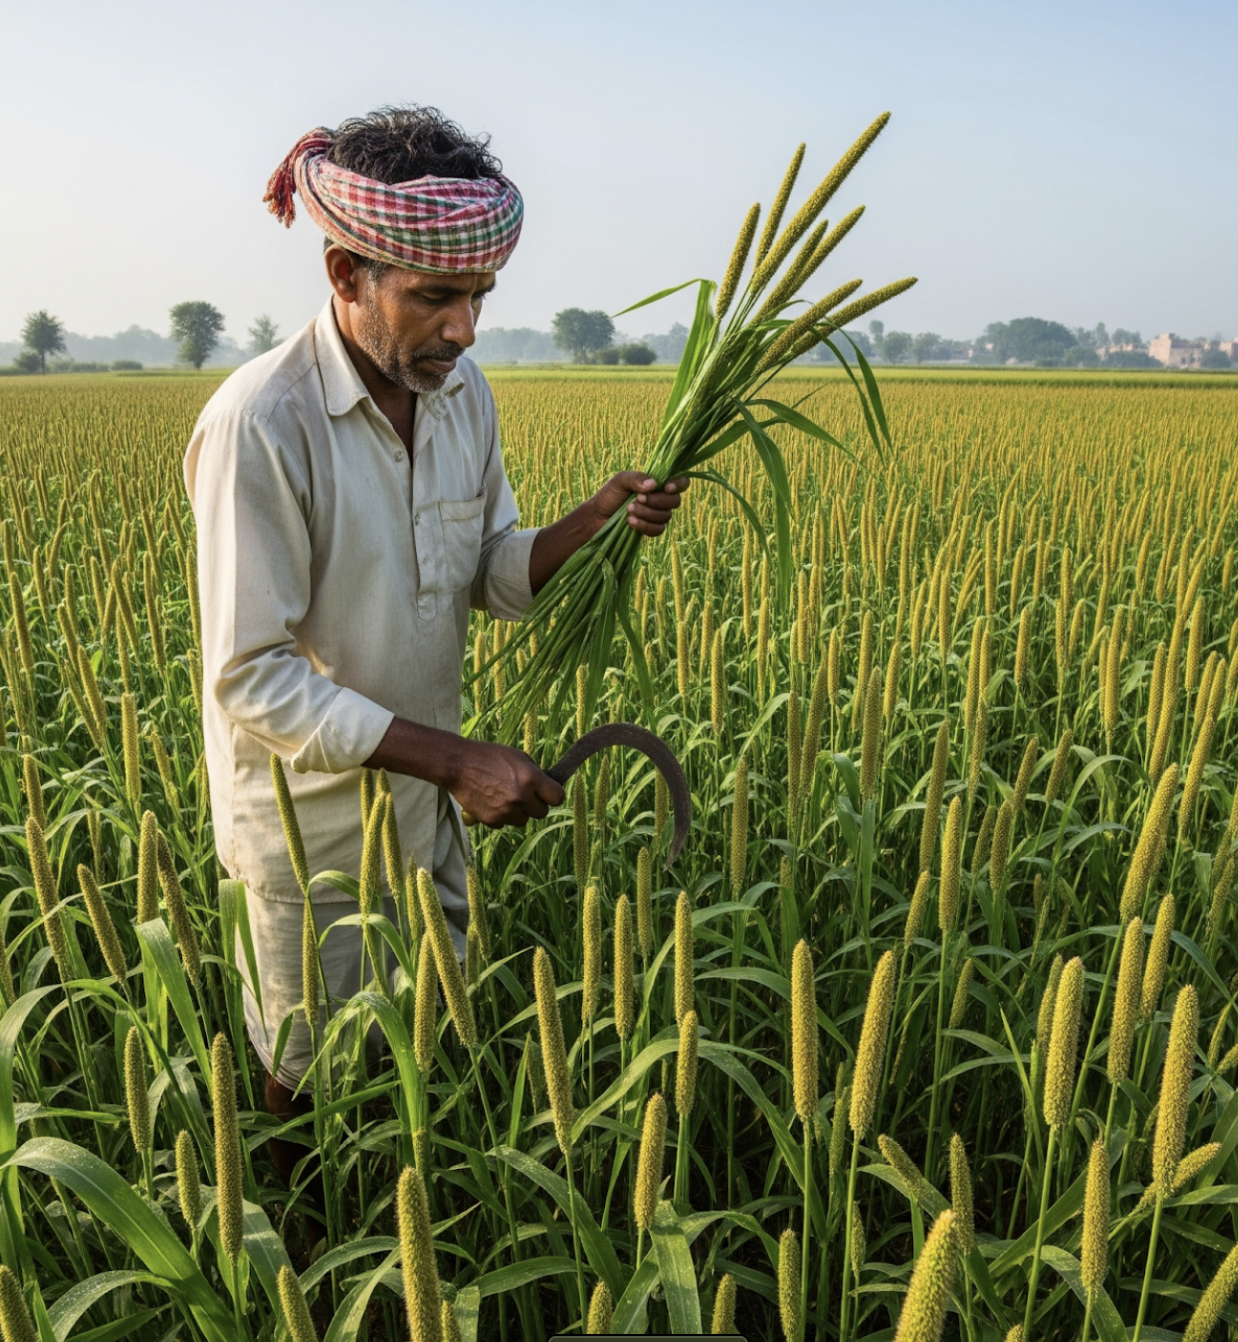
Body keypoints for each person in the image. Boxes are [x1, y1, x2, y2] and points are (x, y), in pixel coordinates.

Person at [183, 105, 687, 1190]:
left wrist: (589, 522)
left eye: (477, 300)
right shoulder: (258, 424)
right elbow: (249, 676)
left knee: (423, 1061)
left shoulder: (458, 400)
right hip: (311, 838)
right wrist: (455, 760)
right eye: (434, 298)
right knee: (301, 1079)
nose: (464, 330)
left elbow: (488, 570)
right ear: (345, 273)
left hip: (423, 819)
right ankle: (291, 1256)